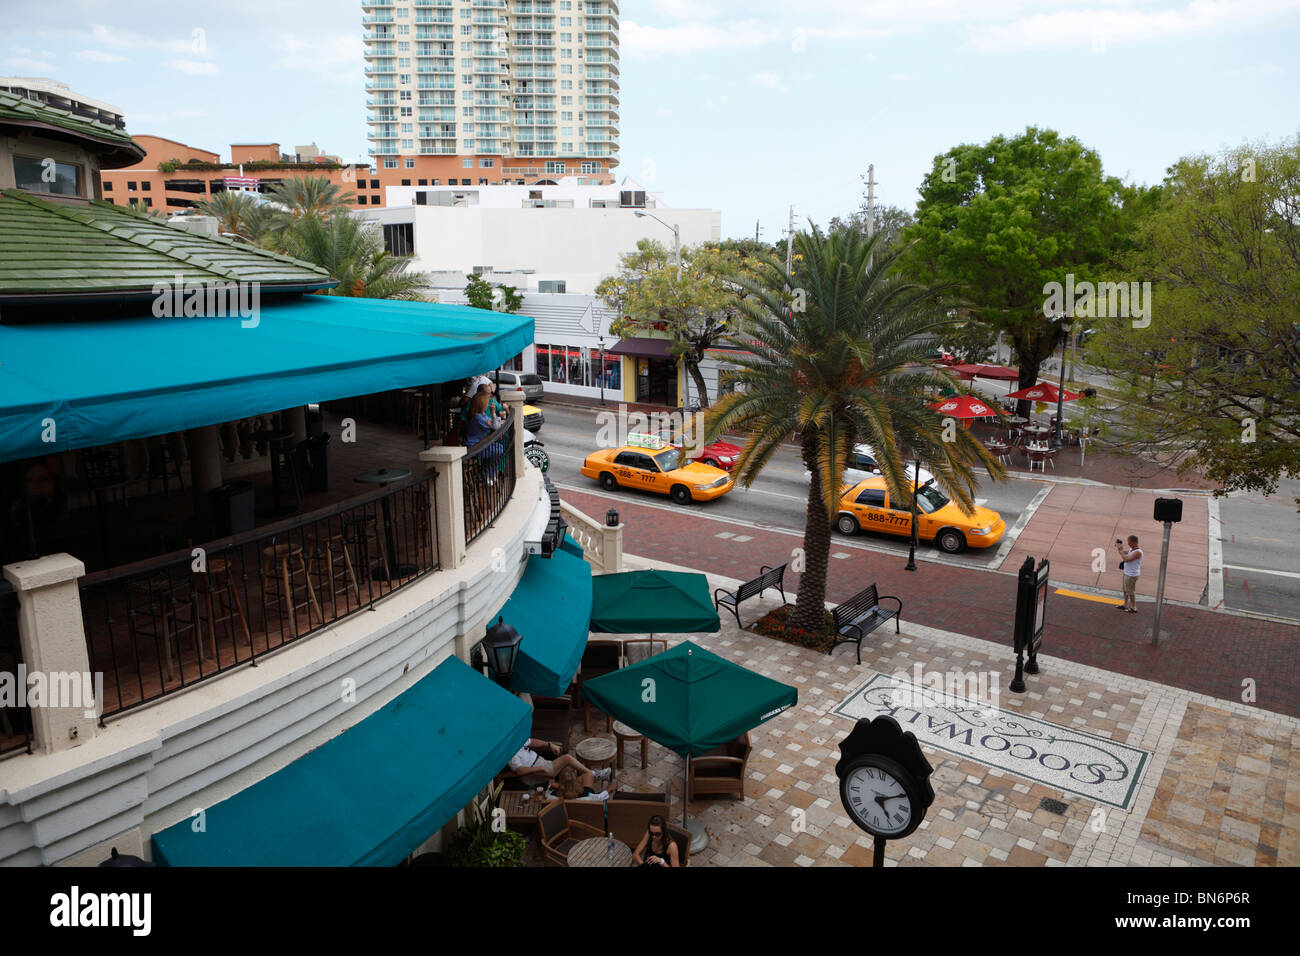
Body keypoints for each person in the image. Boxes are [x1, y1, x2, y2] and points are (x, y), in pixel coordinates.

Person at [508, 737, 611, 790]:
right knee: (567, 759)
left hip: (541, 763)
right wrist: (540, 769)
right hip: (535, 772)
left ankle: (585, 781)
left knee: (569, 769)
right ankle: (594, 775)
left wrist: (549, 745)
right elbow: (519, 771)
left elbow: (531, 741)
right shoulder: (510, 754)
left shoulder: (514, 741)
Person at [1115, 534, 1143, 613]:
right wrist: (1119, 548)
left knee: (1131, 592)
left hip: (1132, 575)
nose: (1128, 544)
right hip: (1127, 573)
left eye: (1129, 542)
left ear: (1134, 542)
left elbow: (1127, 559)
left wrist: (1121, 552)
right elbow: (1124, 553)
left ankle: (1134, 608)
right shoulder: (1132, 549)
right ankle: (1125, 605)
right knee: (1125, 590)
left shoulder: (1138, 552)